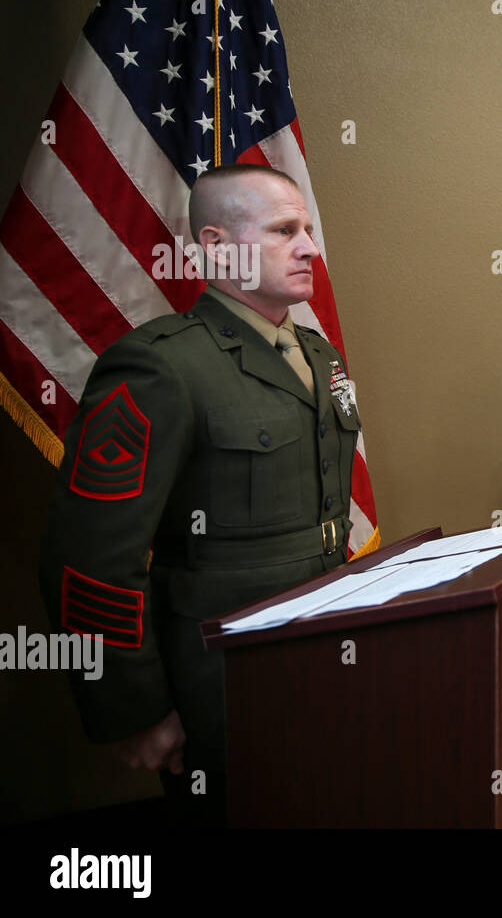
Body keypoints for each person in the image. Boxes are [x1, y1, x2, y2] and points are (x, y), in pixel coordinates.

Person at [39, 164, 361, 826]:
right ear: (217, 246)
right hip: (220, 683)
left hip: (325, 658)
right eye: (284, 230)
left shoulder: (319, 357)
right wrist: (136, 710)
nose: (310, 247)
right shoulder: (162, 365)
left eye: (308, 228)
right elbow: (89, 555)